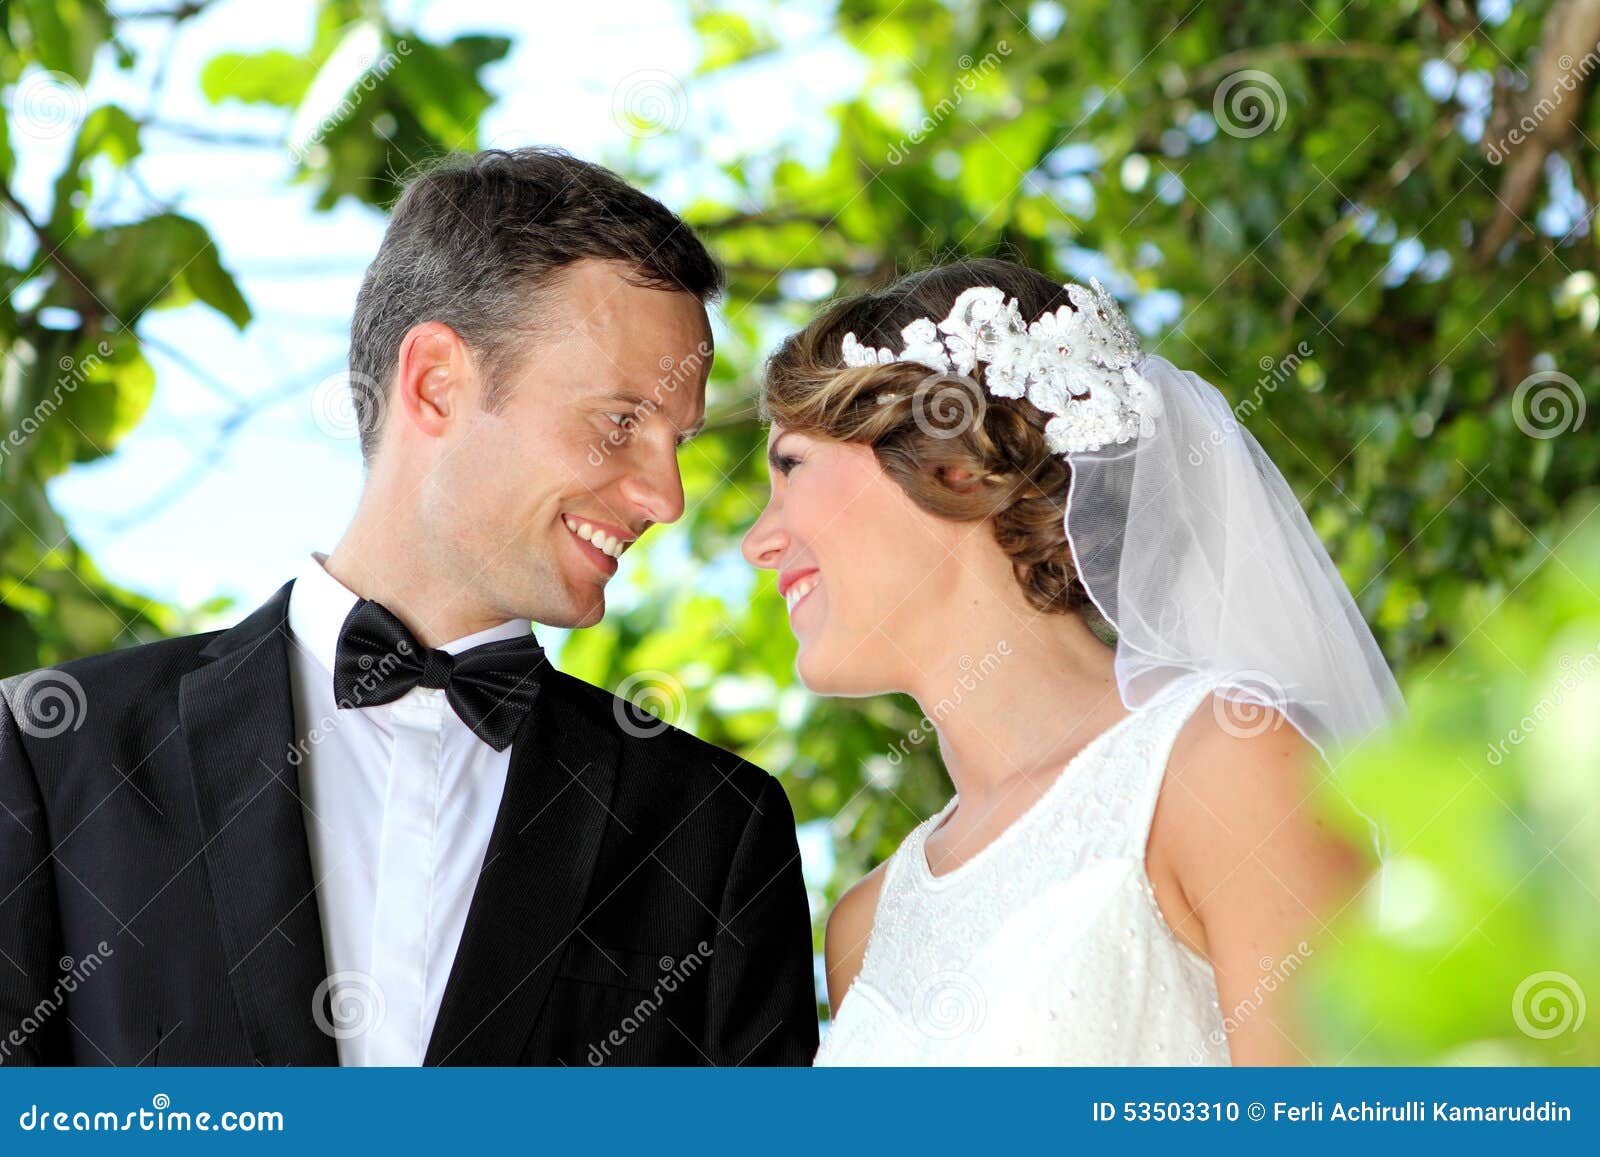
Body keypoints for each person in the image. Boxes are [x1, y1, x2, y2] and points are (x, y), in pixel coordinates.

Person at [0, 147, 817, 1067]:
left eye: (679, 441)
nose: (667, 497)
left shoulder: (714, 826)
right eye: (621, 421)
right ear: (434, 382)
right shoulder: (50, 754)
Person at [741, 257, 1405, 1064]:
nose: (758, 541)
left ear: (951, 461)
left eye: (791, 467)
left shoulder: (1225, 769)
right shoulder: (866, 927)